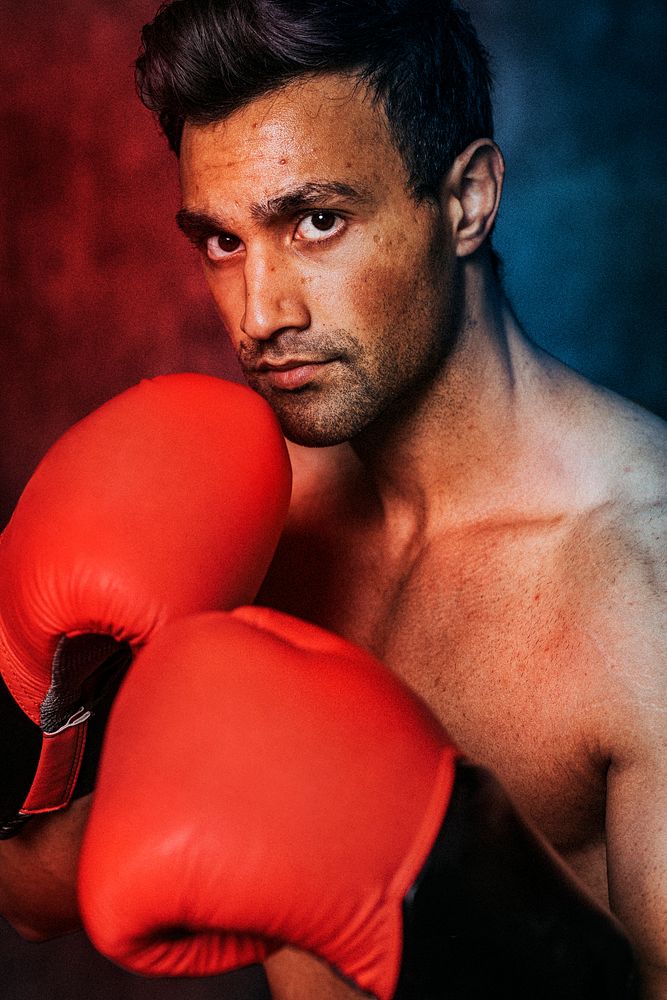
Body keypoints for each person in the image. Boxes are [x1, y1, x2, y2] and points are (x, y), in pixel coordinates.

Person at [0, 0, 664, 997]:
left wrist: (464, 902)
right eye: (221, 242)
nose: (261, 313)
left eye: (316, 221)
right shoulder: (238, 512)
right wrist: (49, 719)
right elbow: (29, 891)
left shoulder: (638, 578)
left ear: (468, 199)